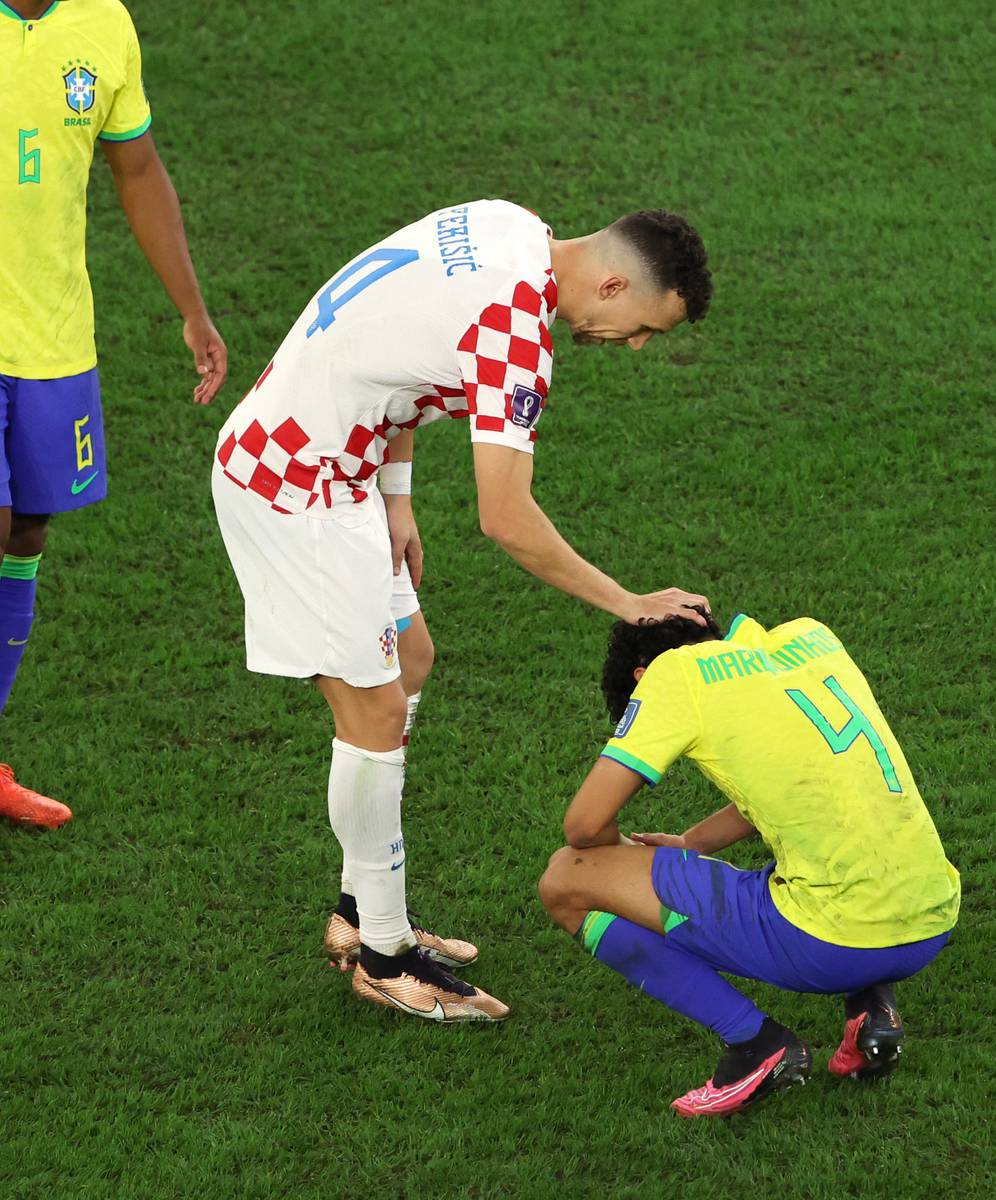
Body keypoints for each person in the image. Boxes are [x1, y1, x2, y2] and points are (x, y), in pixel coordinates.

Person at [212, 199, 713, 1021]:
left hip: (332, 467)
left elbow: (395, 347)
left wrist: (397, 496)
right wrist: (630, 602)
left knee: (409, 660)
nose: (637, 346)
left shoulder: (505, 222)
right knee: (371, 708)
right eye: (643, 327)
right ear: (616, 283)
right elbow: (506, 518)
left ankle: (357, 913)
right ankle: (384, 952)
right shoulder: (519, 331)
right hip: (295, 488)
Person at [538, 609, 960, 1117]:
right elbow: (801, 777)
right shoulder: (809, 638)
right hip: (933, 917)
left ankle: (759, 1046)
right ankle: (872, 1010)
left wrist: (623, 858)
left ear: (640, 678)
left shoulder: (674, 673)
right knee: (840, 854)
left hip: (834, 944)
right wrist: (690, 843)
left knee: (565, 878)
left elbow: (583, 828)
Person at [1, 0, 227, 827]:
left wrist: (192, 310)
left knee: (27, 530)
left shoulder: (104, 23)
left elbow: (136, 170)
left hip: (53, 341)